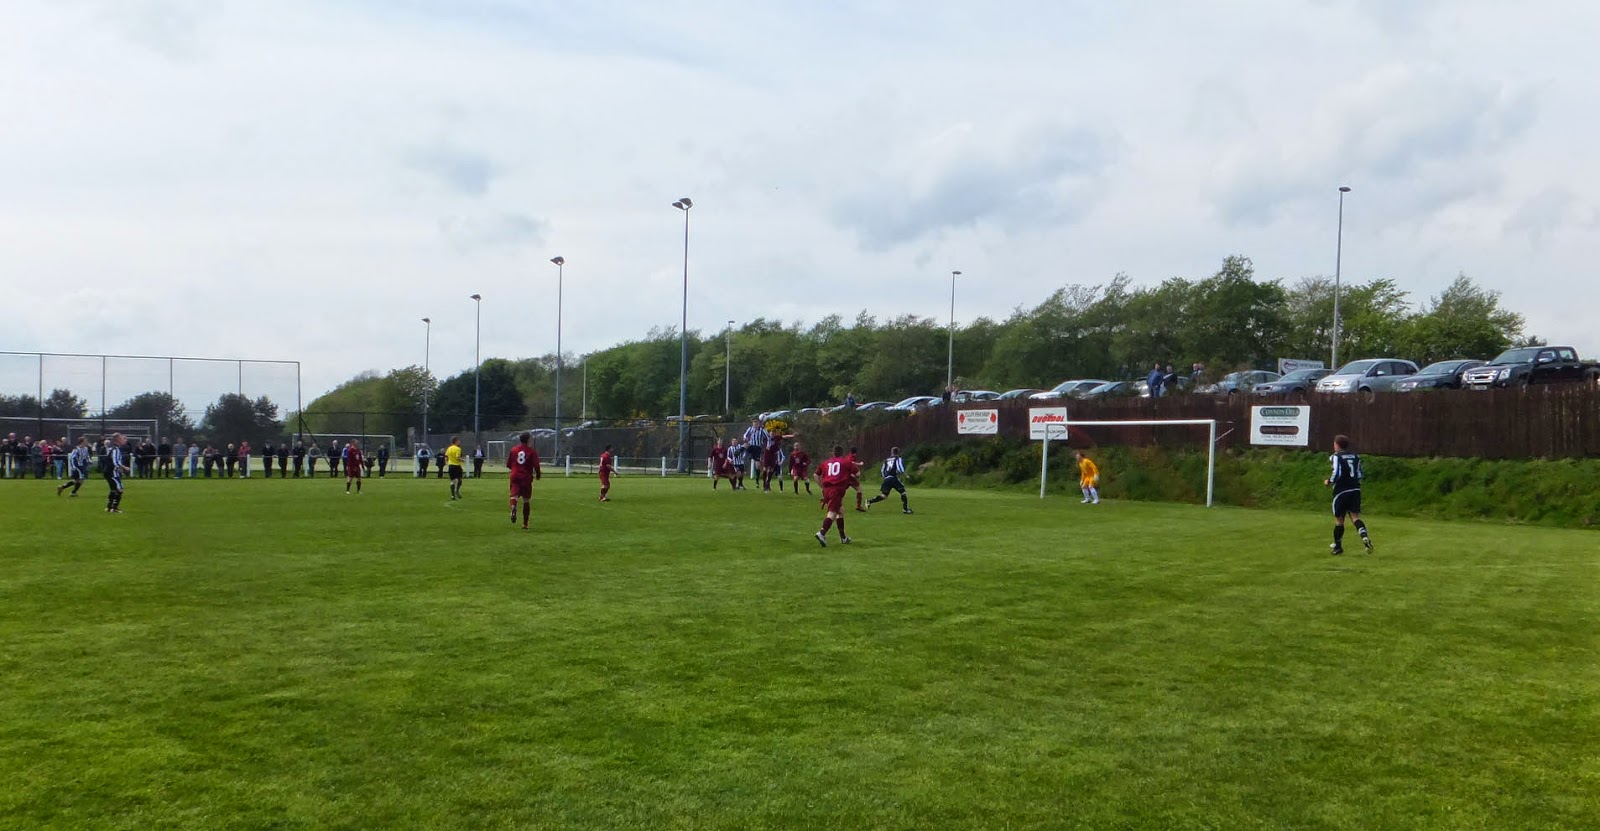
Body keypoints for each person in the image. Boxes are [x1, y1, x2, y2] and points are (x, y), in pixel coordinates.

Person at [1324, 434, 1374, 555]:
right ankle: (1364, 536)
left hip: (1341, 490)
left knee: (1339, 519)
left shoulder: (1336, 456)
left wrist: (1330, 481)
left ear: (1337, 444)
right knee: (1355, 517)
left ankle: (1338, 547)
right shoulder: (1356, 456)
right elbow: (1360, 473)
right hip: (1355, 489)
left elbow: (1337, 472)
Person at [814, 444, 854, 547]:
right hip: (836, 490)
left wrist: (822, 487)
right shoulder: (845, 462)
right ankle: (822, 533)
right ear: (842, 453)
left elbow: (815, 475)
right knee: (832, 512)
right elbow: (857, 474)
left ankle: (843, 537)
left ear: (833, 453)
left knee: (840, 511)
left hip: (827, 490)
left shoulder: (825, 462)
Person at [506, 431, 542, 529]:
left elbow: (508, 464)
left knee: (514, 496)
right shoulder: (531, 451)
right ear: (528, 440)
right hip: (526, 477)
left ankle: (513, 507)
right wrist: (538, 475)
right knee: (526, 500)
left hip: (514, 476)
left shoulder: (514, 450)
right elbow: (536, 465)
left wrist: (515, 469)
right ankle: (525, 524)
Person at [865, 446, 912, 514]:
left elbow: (882, 470)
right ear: (898, 452)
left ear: (891, 452)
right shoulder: (898, 459)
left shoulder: (886, 460)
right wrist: (906, 475)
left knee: (884, 495)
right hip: (893, 478)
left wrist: (885, 477)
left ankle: (869, 501)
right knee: (903, 492)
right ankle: (905, 509)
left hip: (887, 479)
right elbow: (900, 468)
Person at [103, 432, 130, 513]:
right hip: (112, 473)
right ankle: (114, 508)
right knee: (120, 489)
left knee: (113, 490)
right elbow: (116, 462)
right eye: (122, 438)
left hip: (109, 472)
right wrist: (125, 468)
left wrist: (120, 470)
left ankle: (108, 507)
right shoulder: (116, 449)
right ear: (118, 440)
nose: (123, 440)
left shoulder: (112, 448)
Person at [847, 446, 866, 512]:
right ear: (856, 452)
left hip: (845, 476)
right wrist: (859, 464)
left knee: (838, 491)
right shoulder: (852, 457)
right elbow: (851, 463)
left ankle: (827, 500)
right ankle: (858, 506)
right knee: (859, 489)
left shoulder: (848, 456)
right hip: (850, 477)